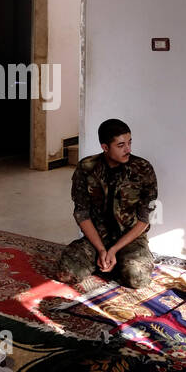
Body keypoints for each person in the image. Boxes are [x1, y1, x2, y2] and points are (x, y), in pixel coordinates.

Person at [56, 118, 158, 290]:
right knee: (66, 272)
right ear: (105, 147)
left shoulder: (143, 169)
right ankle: (104, 260)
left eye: (129, 142)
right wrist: (102, 250)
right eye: (120, 145)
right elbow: (82, 213)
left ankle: (119, 260)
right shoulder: (86, 168)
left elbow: (145, 219)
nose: (128, 149)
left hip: (129, 239)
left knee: (138, 279)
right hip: (97, 237)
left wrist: (114, 249)